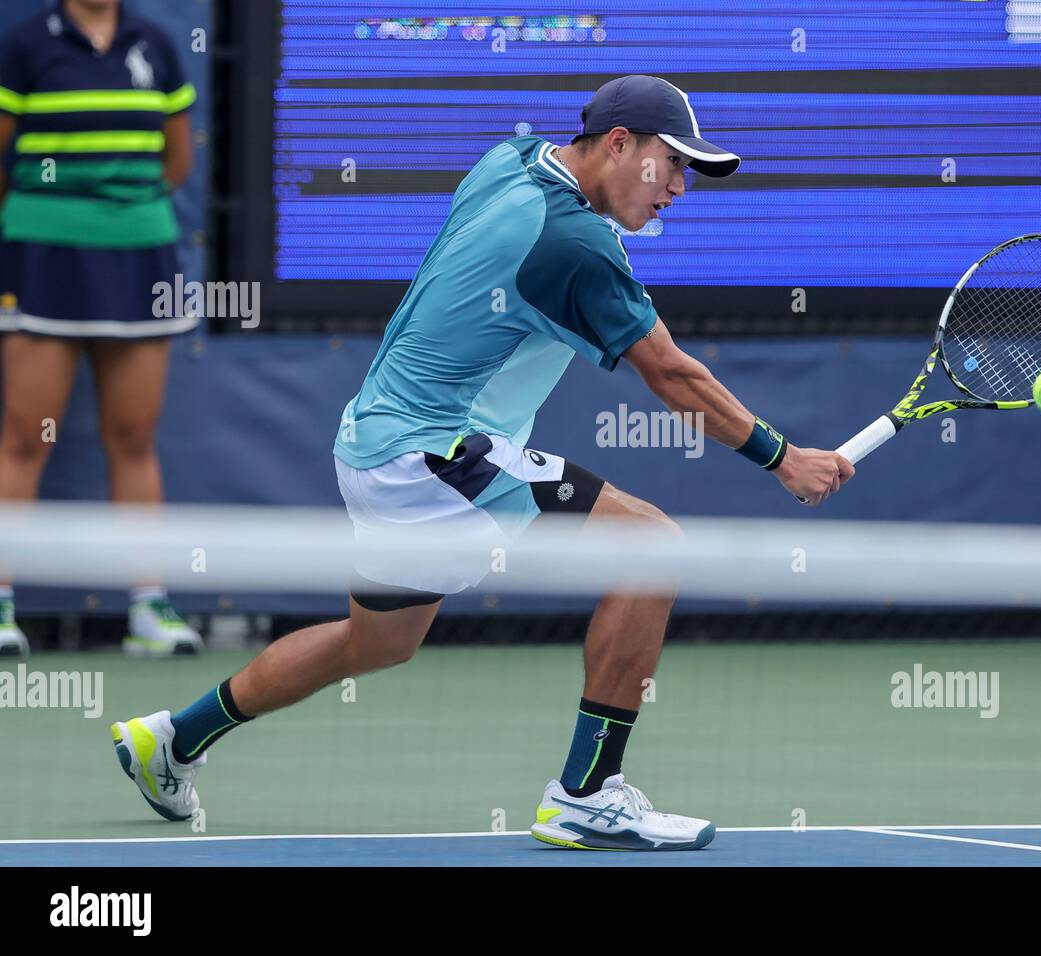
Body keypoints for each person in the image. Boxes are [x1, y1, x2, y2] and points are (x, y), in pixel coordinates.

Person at [110, 75, 853, 849]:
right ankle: (586, 795)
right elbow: (671, 374)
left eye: (689, 173)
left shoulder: (511, 158)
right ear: (618, 143)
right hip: (431, 454)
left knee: (377, 645)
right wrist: (783, 458)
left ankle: (172, 738)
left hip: (373, 442)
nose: (678, 187)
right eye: (670, 163)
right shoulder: (575, 246)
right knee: (652, 547)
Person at [0, 0, 203, 657]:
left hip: (141, 254)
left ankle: (149, 609)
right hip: (43, 254)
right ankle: (2, 605)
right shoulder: (26, 44)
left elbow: (176, 160)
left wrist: (123, 210)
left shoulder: (156, 44)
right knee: (26, 435)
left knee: (134, 435)